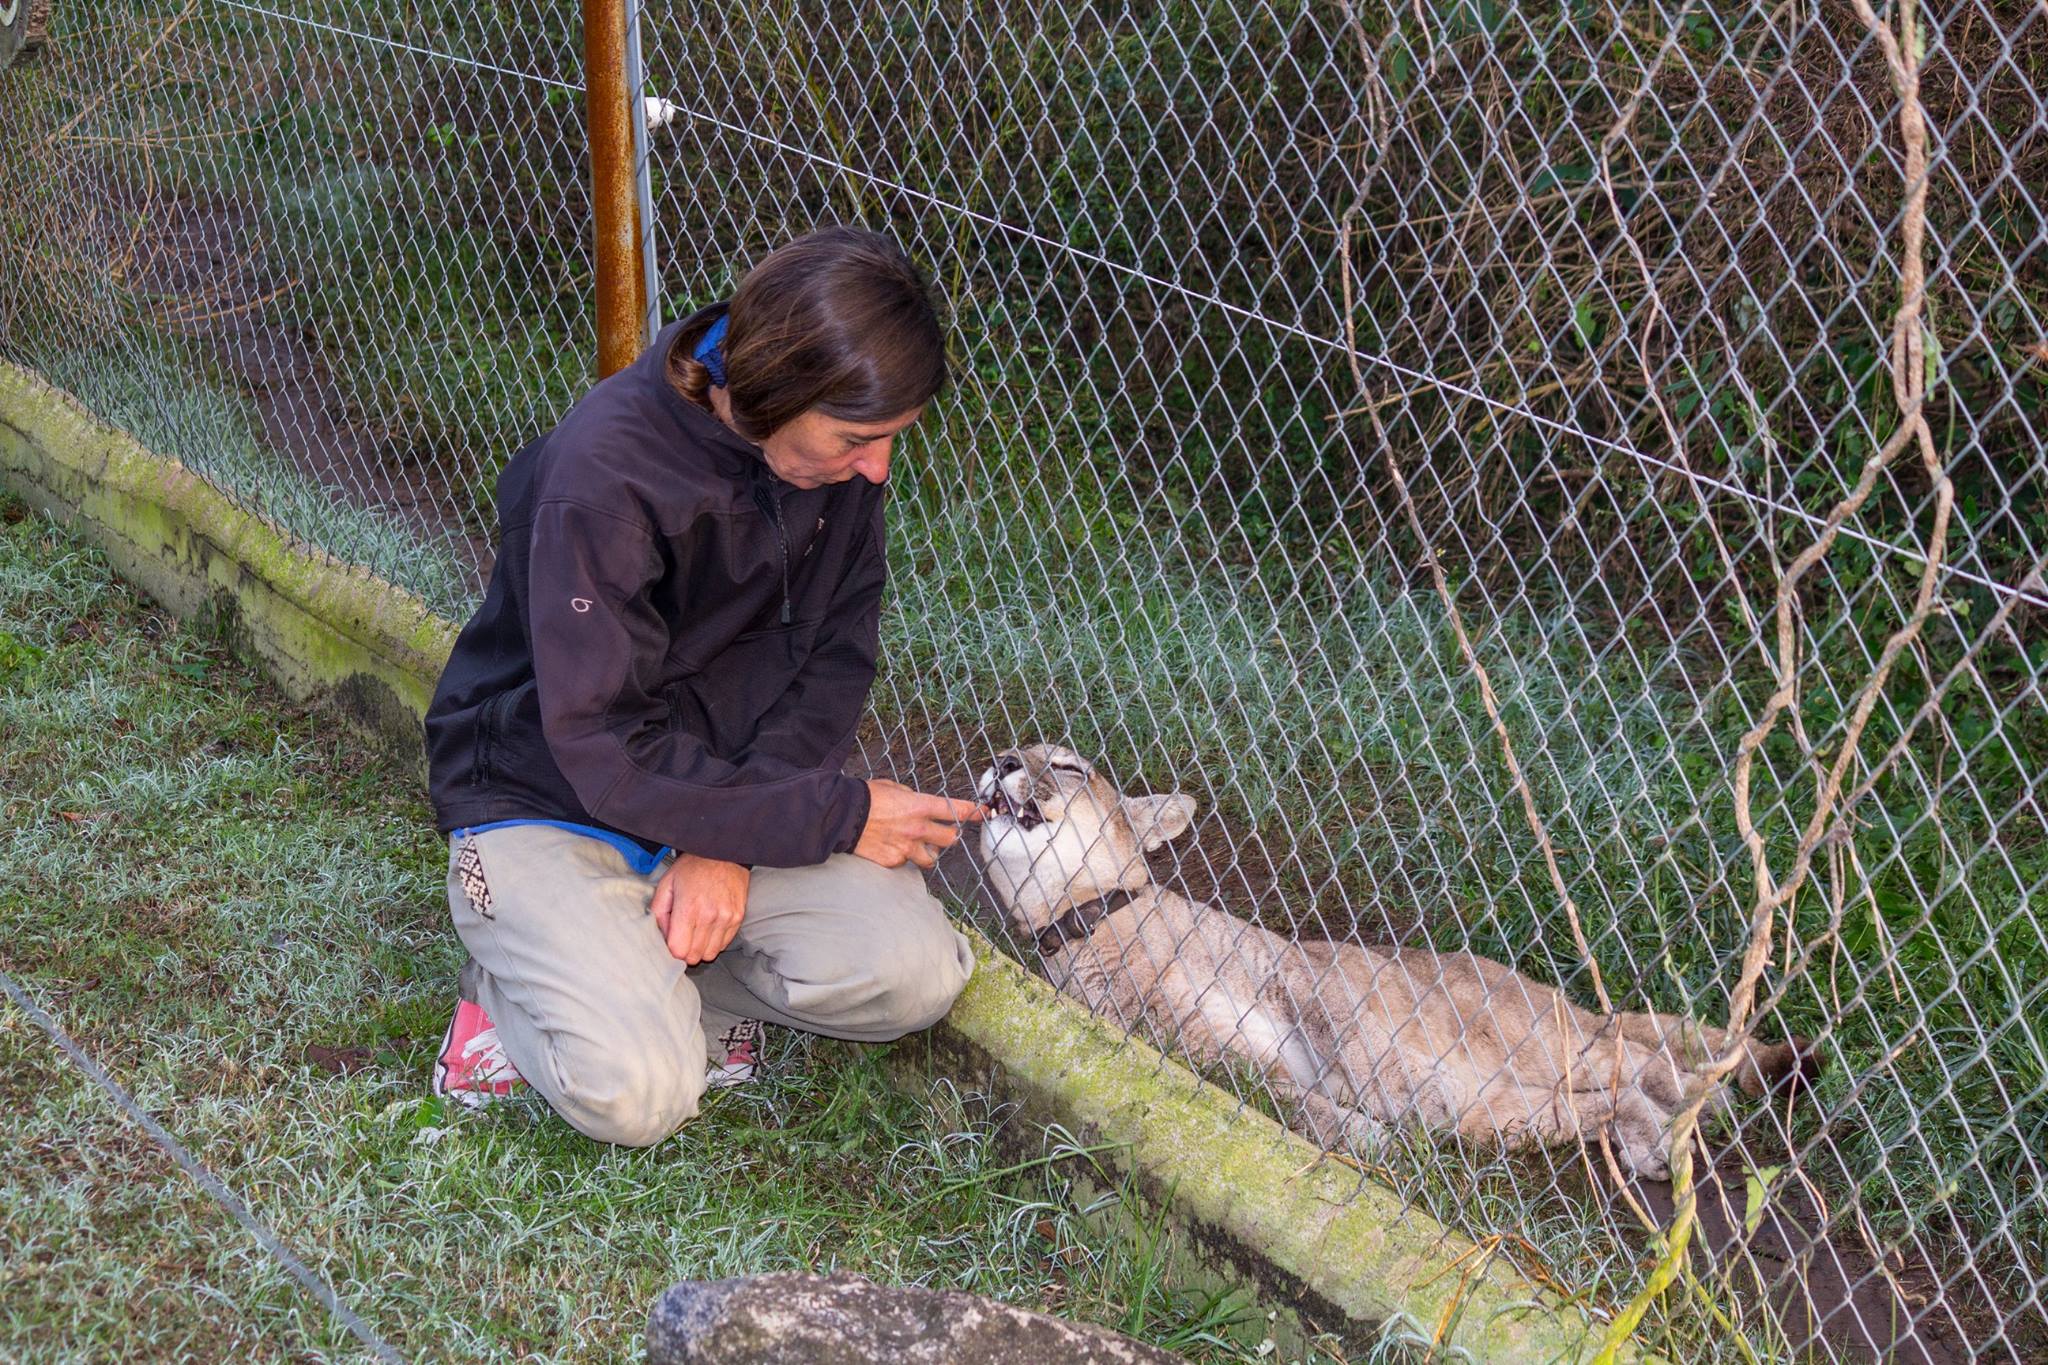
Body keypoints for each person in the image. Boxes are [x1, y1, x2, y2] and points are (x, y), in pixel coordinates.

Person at [420, 226, 985, 1146]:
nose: (877, 469)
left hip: (716, 803)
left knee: (916, 973)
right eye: (857, 439)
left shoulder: (831, 465)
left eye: (888, 441)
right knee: (640, 1098)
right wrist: (825, 817)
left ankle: (650, 971)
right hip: (546, 798)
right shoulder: (604, 476)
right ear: (774, 388)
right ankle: (505, 994)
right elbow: (602, 740)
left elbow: (831, 666)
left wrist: (727, 840)